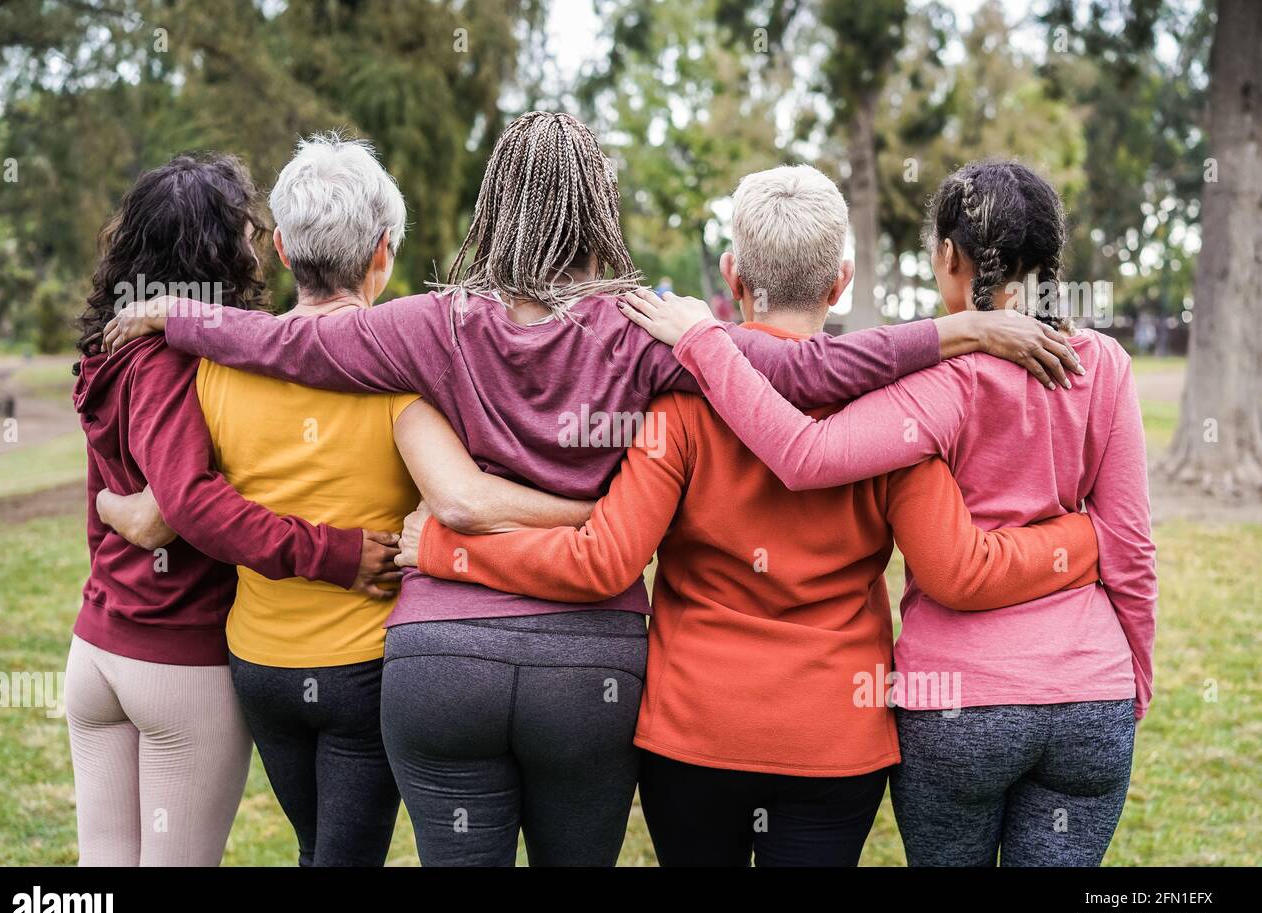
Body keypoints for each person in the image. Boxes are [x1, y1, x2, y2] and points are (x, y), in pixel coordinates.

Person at [101, 113, 1081, 867]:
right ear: (597, 207)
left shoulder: (433, 322)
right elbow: (807, 373)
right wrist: (958, 330)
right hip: (590, 667)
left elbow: (281, 342)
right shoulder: (642, 326)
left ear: (496, 203)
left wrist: (165, 313)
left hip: (440, 657)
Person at [389, 165, 1103, 866]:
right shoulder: (891, 413)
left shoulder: (681, 407)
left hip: (695, 738)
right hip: (835, 741)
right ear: (842, 281)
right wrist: (1082, 535)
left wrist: (450, 550)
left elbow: (604, 558)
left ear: (731, 278)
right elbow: (954, 562)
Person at [622, 160, 1156, 867]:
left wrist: (700, 342)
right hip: (1080, 693)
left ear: (946, 257)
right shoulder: (1107, 366)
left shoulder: (933, 382)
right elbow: (1133, 551)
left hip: (936, 708)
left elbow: (807, 455)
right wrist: (1130, 674)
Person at [98, 134, 596, 866]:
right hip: (364, 668)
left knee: (316, 848)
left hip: (259, 663)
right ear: (384, 253)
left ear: (287, 258)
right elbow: (461, 496)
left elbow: (182, 500)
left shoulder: (214, 371)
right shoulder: (401, 382)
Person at [68, 153, 399, 867]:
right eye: (245, 233)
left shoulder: (111, 351)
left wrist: (113, 508)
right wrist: (335, 552)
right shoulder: (185, 363)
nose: (256, 248)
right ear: (218, 251)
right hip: (175, 657)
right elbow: (178, 505)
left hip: (97, 647)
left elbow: (131, 498)